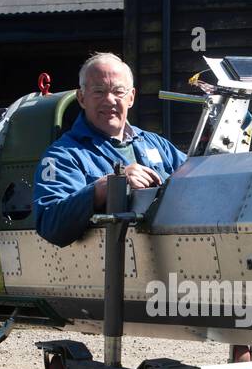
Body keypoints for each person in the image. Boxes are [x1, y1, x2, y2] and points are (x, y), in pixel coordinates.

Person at [33, 53, 187, 247]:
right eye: (98, 91)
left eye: (118, 91)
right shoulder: (62, 155)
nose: (109, 100)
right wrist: (107, 187)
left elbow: (196, 184)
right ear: (81, 98)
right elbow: (50, 223)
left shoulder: (157, 144)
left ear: (131, 98)